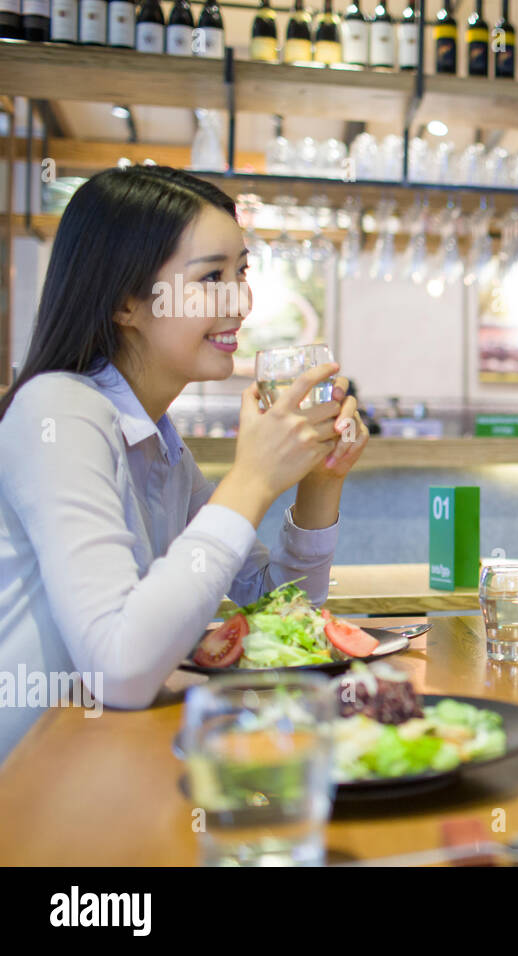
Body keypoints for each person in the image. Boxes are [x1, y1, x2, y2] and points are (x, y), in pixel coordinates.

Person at [0, 166, 370, 759]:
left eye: (241, 272)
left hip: (106, 765)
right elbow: (118, 670)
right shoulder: (59, 413)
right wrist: (250, 481)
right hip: (31, 799)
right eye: (212, 277)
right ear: (125, 300)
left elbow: (280, 616)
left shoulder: (160, 443)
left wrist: (318, 485)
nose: (242, 301)